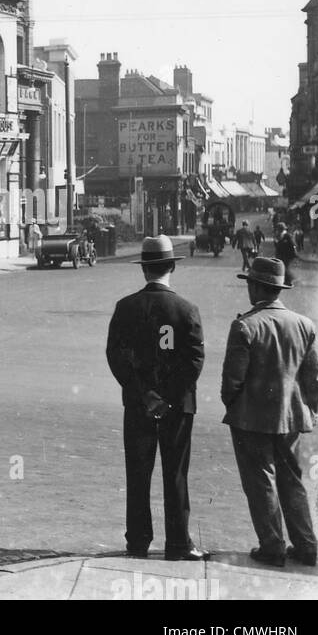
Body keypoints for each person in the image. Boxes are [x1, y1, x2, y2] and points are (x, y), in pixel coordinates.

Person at [105, 234, 207, 560]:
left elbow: (116, 356)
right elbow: (194, 360)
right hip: (178, 407)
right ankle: (178, 544)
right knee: (175, 473)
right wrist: (170, 397)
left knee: (138, 474)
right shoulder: (187, 309)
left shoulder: (125, 308)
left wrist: (146, 395)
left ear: (144, 269)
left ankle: (137, 542)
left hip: (138, 406)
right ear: (172, 266)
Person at [221, 256, 318, 568]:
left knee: (259, 481)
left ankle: (272, 545)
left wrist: (234, 406)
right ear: (277, 289)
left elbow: (232, 381)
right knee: (292, 480)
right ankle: (306, 545)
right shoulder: (304, 325)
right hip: (291, 417)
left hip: (251, 419)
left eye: (250, 284)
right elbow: (314, 380)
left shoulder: (244, 326)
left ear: (256, 287)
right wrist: (309, 413)